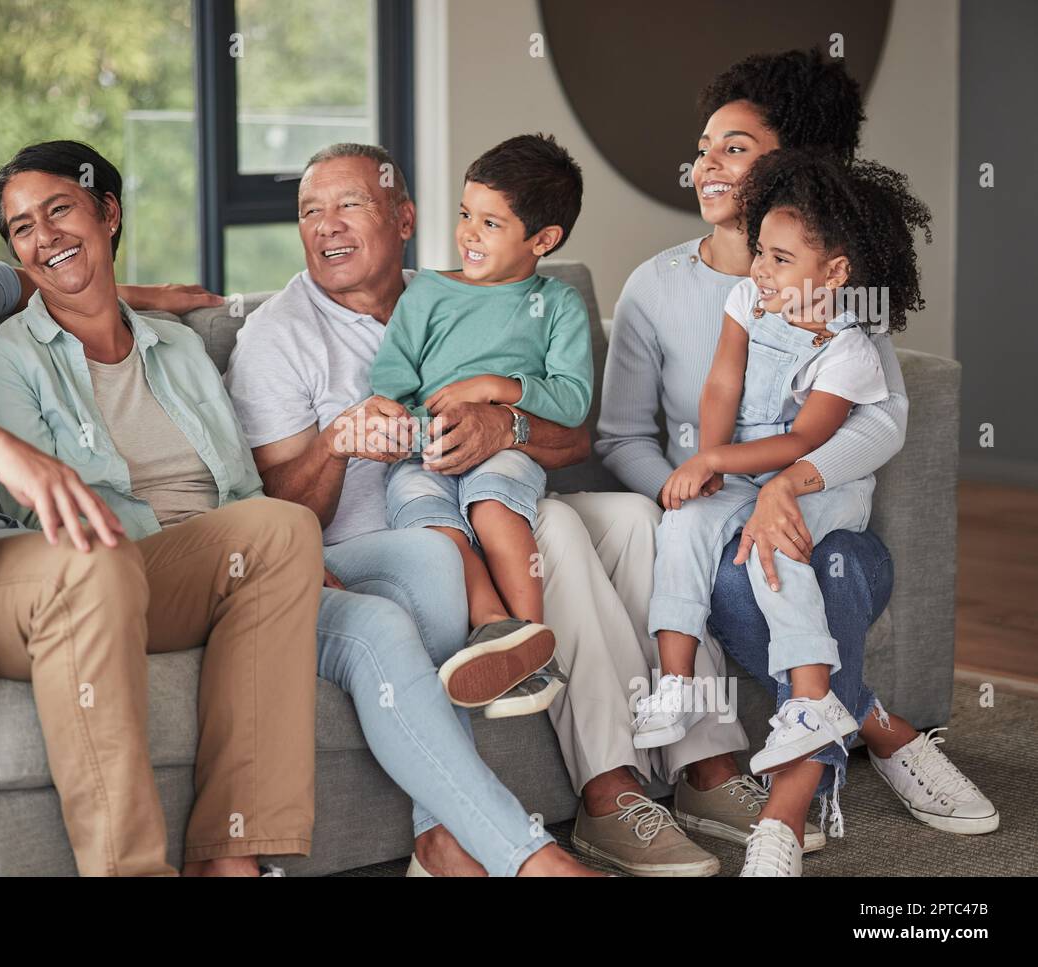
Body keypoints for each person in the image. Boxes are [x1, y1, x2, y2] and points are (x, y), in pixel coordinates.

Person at [0, 139, 597, 878]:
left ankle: (465, 844)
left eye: (59, 211)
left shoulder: (174, 348)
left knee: (421, 571)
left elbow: (242, 490)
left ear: (108, 214)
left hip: (242, 568)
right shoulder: (9, 358)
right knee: (280, 530)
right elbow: (41, 506)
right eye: (21, 228)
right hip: (129, 567)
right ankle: (529, 859)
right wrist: (268, 540)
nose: (43, 237)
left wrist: (288, 559)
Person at [0, 119, 312, 877]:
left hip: (19, 555)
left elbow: (36, 279)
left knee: (279, 531)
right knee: (89, 562)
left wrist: (142, 297)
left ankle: (229, 856)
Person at [227, 142, 749, 877]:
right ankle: (607, 791)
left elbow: (571, 437)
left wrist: (509, 426)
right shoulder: (278, 335)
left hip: (493, 498)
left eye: (348, 204)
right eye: (310, 210)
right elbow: (279, 508)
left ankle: (706, 764)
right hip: (379, 543)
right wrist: (338, 443)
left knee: (637, 519)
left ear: (404, 217)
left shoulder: (454, 290)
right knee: (560, 530)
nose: (326, 226)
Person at [597, 50, 997, 876]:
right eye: (705, 144)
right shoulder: (655, 287)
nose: (706, 163)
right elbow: (621, 439)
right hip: (717, 515)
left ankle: (801, 775)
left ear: (791, 165)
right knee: (776, 567)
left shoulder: (839, 301)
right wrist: (697, 491)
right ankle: (870, 732)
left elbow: (880, 424)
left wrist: (787, 482)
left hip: (815, 513)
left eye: (735, 149)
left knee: (839, 554)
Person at [370, 134, 593, 713]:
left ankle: (531, 646)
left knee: (492, 507)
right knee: (431, 528)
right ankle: (496, 629)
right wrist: (412, 430)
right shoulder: (425, 297)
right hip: (425, 452)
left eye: (491, 224)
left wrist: (496, 389)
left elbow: (570, 404)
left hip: (504, 447)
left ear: (543, 240)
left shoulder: (559, 305)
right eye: (467, 214)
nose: (469, 232)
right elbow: (390, 385)